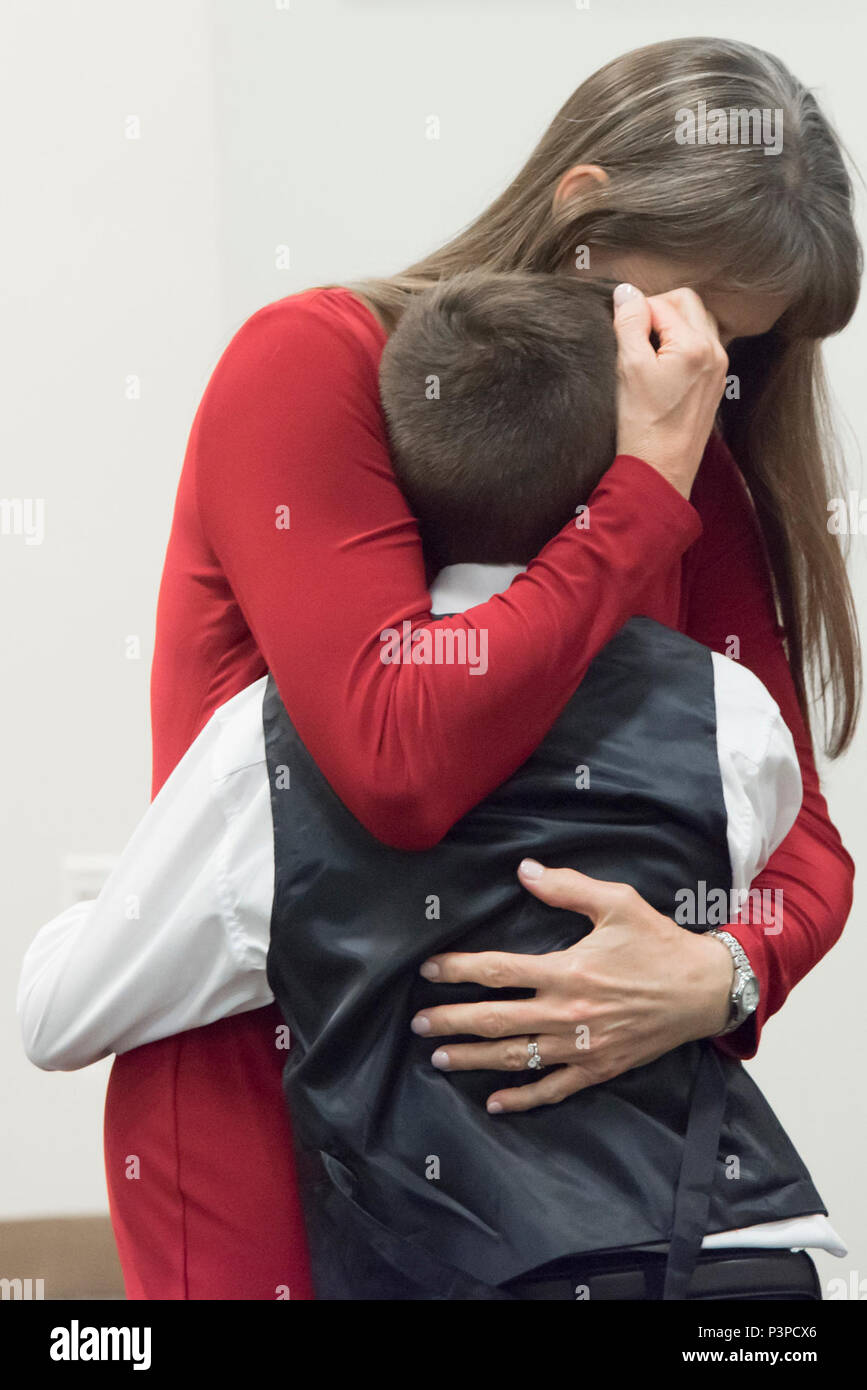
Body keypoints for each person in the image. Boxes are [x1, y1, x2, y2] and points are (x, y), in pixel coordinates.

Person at [101, 36, 858, 1298]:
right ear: (582, 214)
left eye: (744, 346)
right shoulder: (307, 366)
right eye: (699, 318)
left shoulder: (685, 453)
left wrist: (718, 970)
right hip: (272, 1116)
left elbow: (804, 847)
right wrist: (631, 506)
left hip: (550, 1177)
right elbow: (395, 758)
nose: (711, 372)